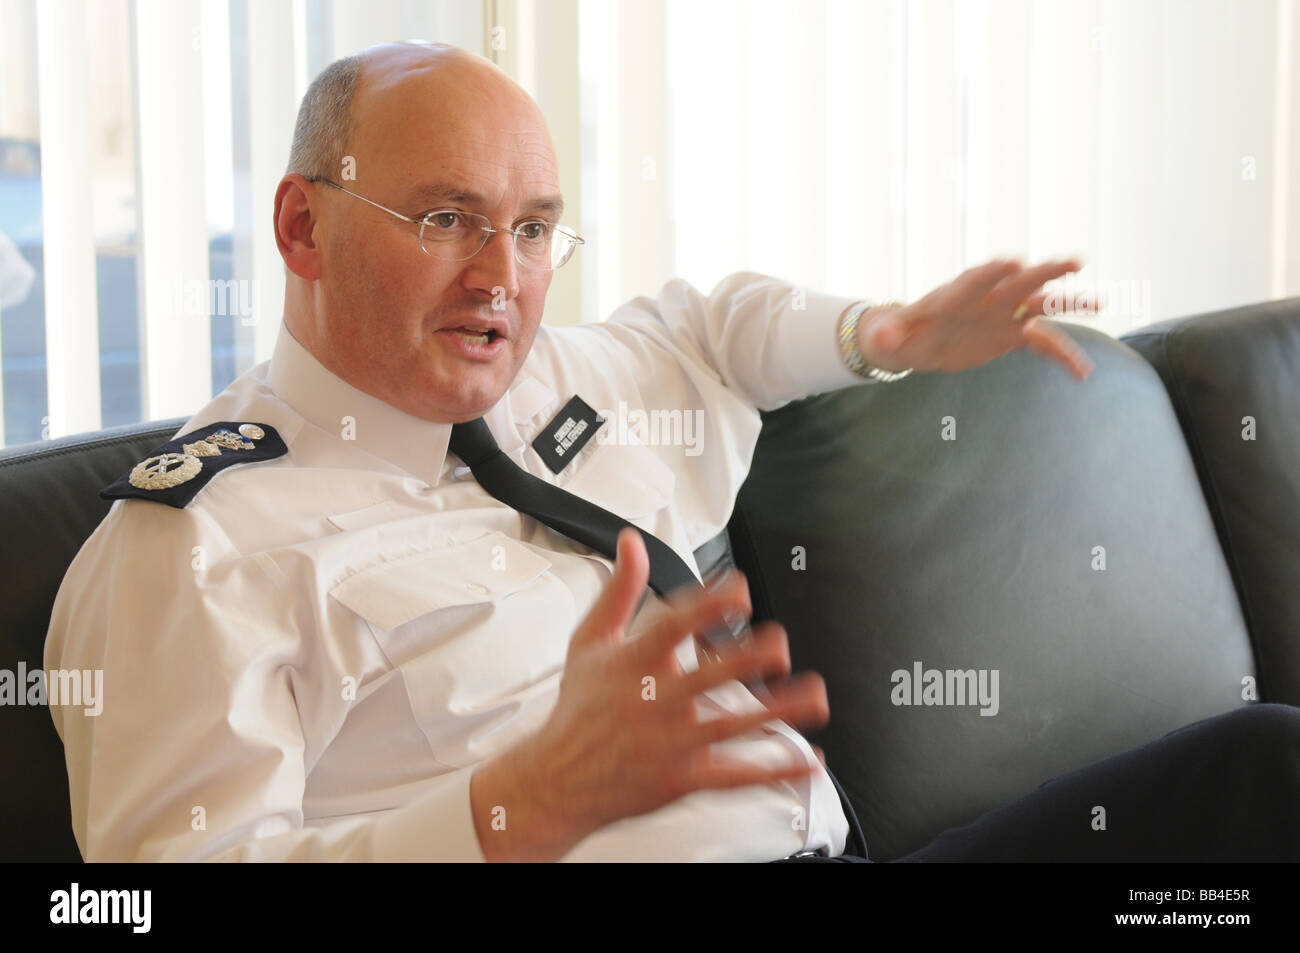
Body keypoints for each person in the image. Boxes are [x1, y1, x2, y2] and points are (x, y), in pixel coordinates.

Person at [45, 40, 1299, 863]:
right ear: (301, 227)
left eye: (535, 230)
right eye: (446, 220)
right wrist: (509, 809)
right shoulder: (196, 547)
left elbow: (709, 325)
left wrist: (888, 333)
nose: (503, 279)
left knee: (1260, 773)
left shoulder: (561, 380)